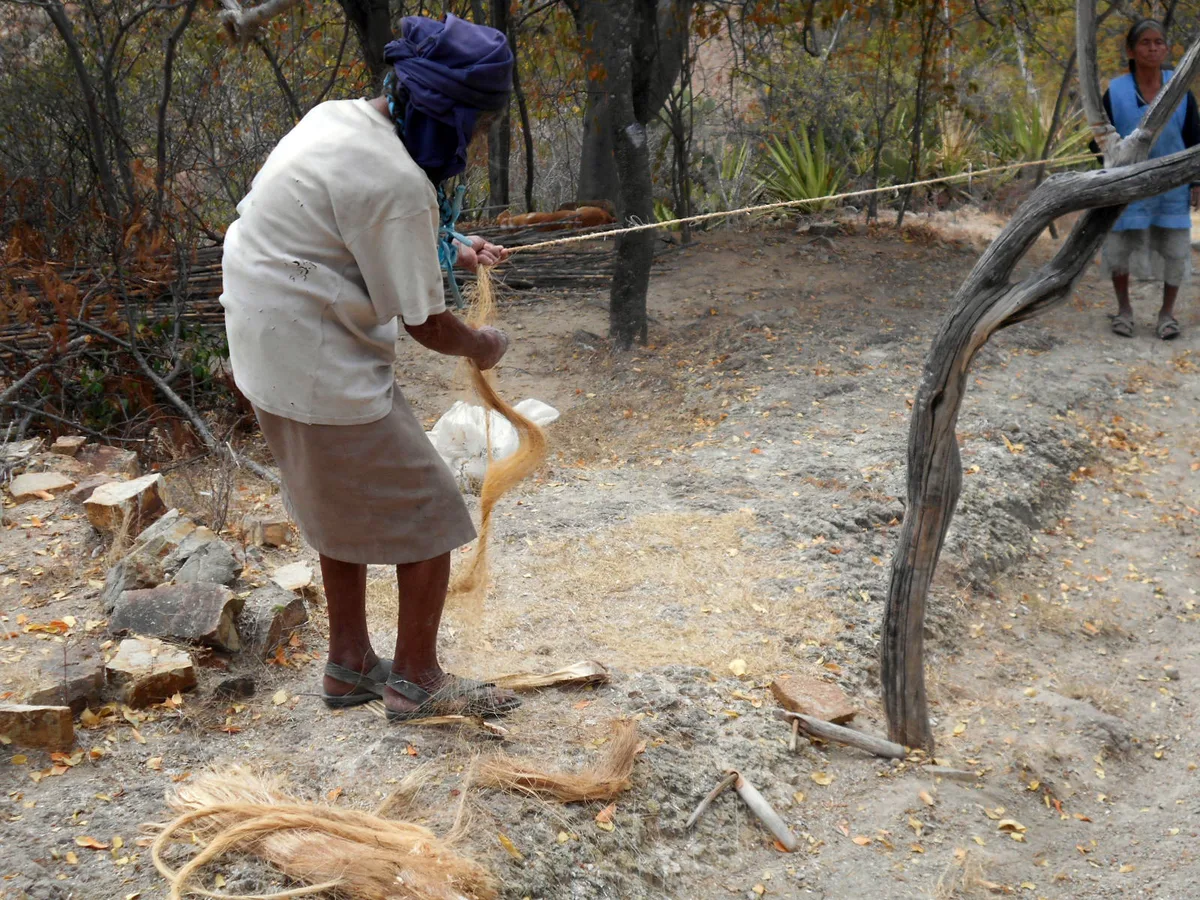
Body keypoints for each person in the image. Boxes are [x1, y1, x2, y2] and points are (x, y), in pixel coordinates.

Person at [219, 14, 521, 721]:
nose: (474, 141)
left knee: (337, 507)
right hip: (314, 358)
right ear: (448, 116)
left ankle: (348, 664)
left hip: (266, 342)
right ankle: (417, 679)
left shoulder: (341, 120)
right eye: (474, 127)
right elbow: (426, 323)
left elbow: (350, 227)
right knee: (434, 515)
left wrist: (449, 245)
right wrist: (483, 345)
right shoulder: (397, 185)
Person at [1100, 18, 1200, 340]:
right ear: (1131, 50)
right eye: (1145, 42)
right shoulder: (1114, 92)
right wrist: (1111, 169)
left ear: (1166, 48)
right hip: (1126, 184)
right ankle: (1124, 311)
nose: (1153, 48)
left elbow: (1195, 138)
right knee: (1121, 246)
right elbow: (1100, 136)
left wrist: (1197, 182)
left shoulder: (1180, 90)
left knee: (1173, 248)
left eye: (1159, 42)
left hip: (1172, 185)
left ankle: (1166, 314)